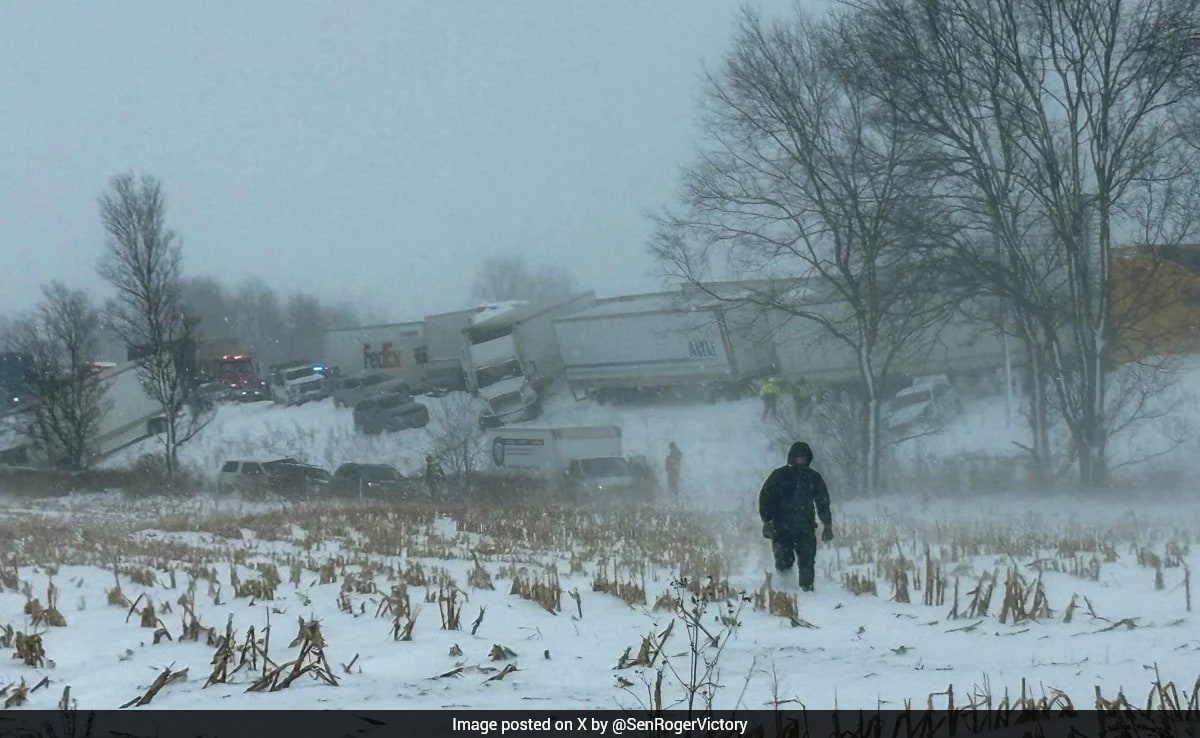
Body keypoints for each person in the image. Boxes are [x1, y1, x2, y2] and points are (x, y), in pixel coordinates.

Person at [758, 441, 833, 592]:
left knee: (807, 561)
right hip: (781, 528)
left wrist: (827, 525)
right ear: (791, 457)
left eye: (803, 457)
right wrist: (767, 522)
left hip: (806, 528)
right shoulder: (779, 476)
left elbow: (822, 502)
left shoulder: (813, 477)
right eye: (797, 457)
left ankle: (808, 590)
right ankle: (785, 590)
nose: (800, 460)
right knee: (783, 561)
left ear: (808, 458)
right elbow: (765, 499)